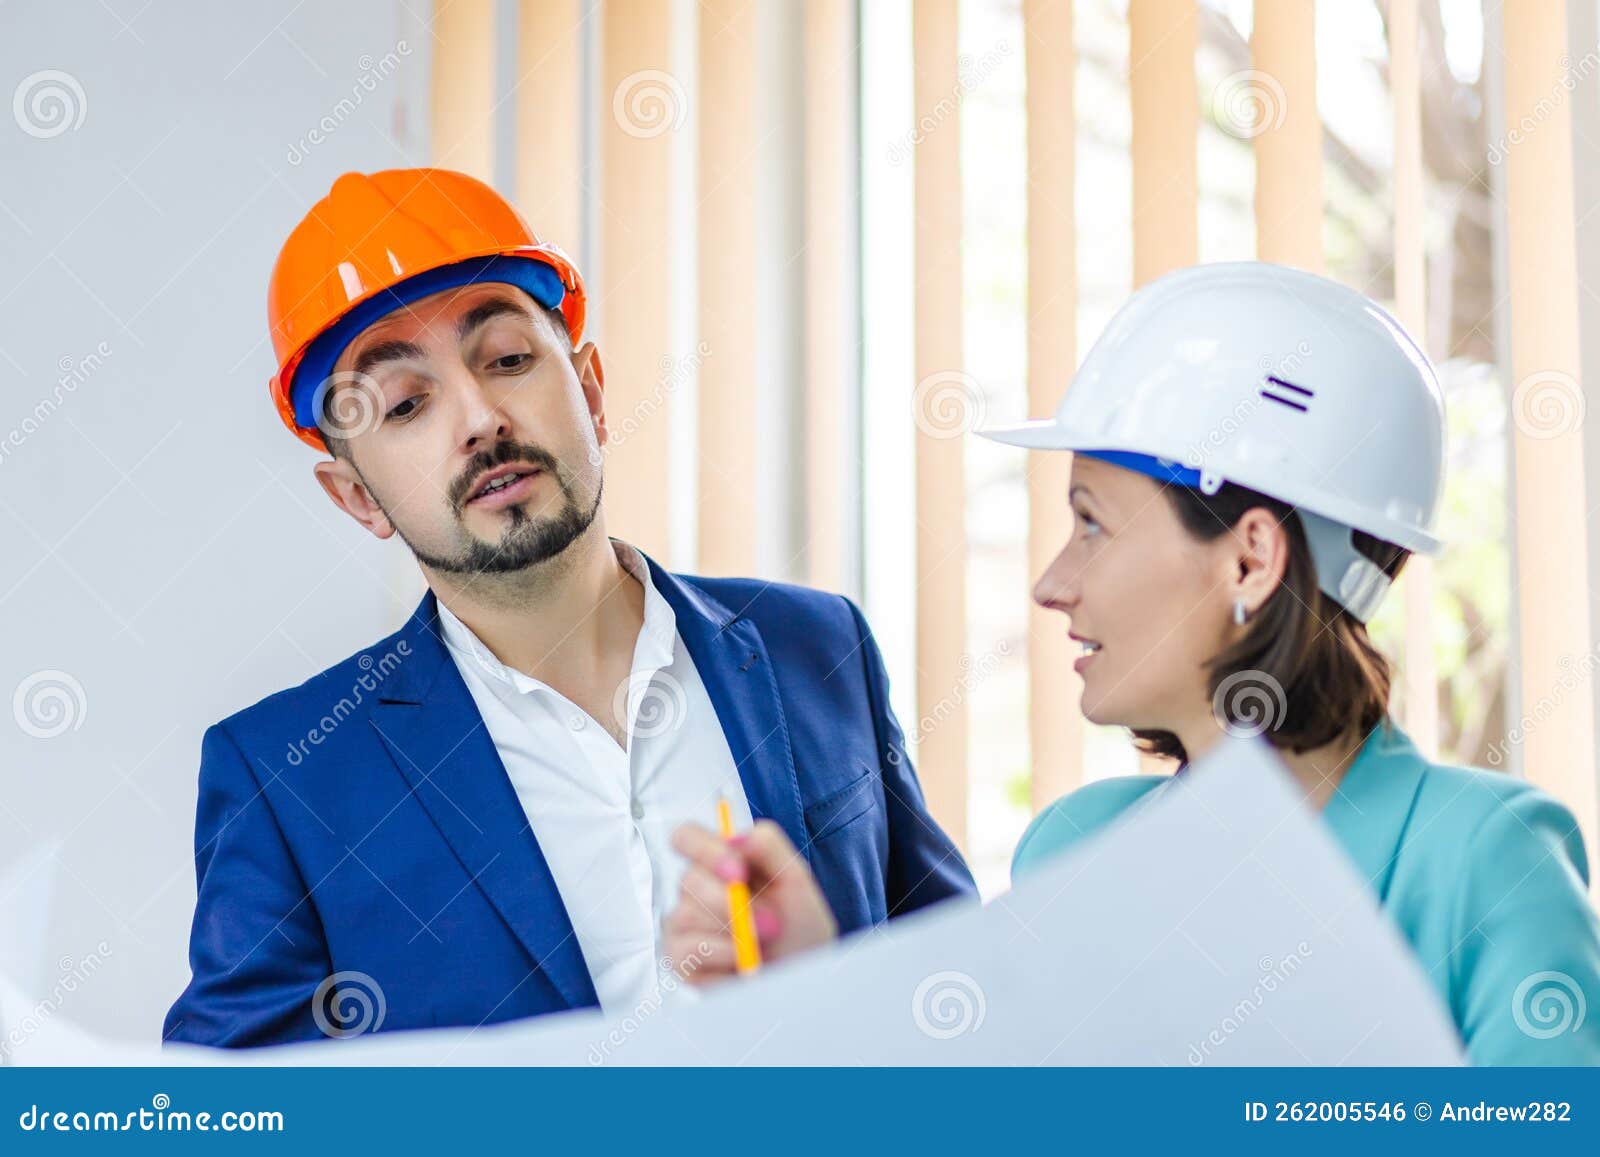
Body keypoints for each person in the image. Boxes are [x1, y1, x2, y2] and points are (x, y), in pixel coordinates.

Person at [663, 262, 1600, 1065]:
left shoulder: (1486, 858)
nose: (1051, 584)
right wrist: (811, 981)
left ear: (1250, 557)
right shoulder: (1073, 851)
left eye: (1092, 524)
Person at [163, 168, 974, 1048]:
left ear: (588, 389)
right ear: (356, 497)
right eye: (405, 403)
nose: (479, 418)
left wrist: (828, 992)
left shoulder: (816, 649)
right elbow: (234, 1115)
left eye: (508, 359)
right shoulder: (288, 781)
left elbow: (963, 997)